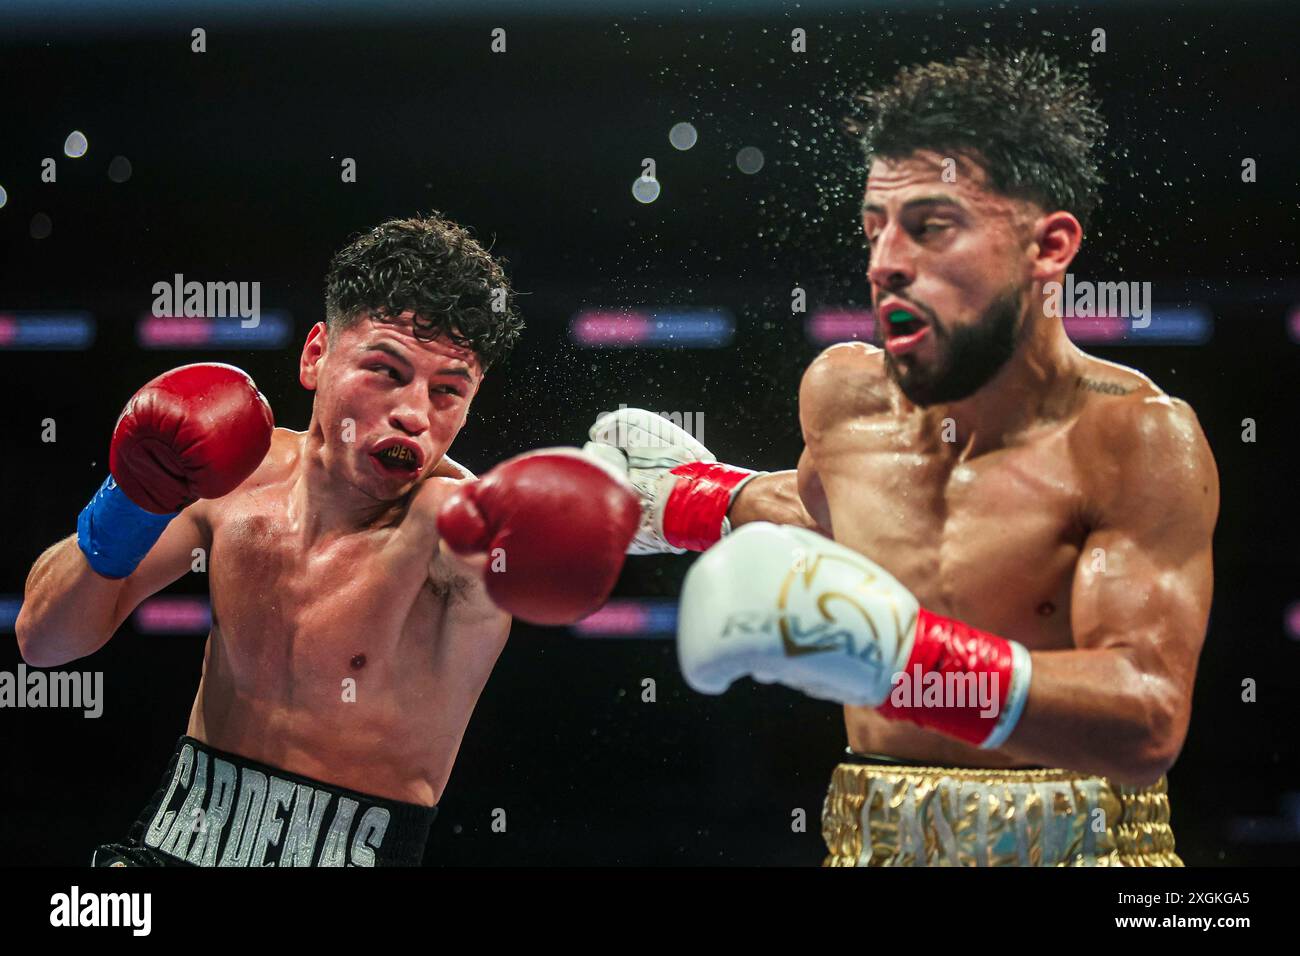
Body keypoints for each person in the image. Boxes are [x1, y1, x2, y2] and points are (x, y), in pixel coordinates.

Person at [585, 50, 1219, 866]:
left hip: (1079, 847)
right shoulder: (842, 394)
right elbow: (831, 517)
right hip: (872, 834)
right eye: (874, 228)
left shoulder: (1136, 438)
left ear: (1048, 246)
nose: (884, 259)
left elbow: (1148, 719)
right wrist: (688, 500)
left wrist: (901, 664)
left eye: (929, 226)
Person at [17, 214, 638, 866]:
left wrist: (684, 504)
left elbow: (535, 529)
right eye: (387, 371)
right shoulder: (233, 477)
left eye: (449, 391)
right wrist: (132, 497)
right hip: (168, 848)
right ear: (316, 355)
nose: (415, 414)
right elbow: (44, 641)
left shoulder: (453, 527)